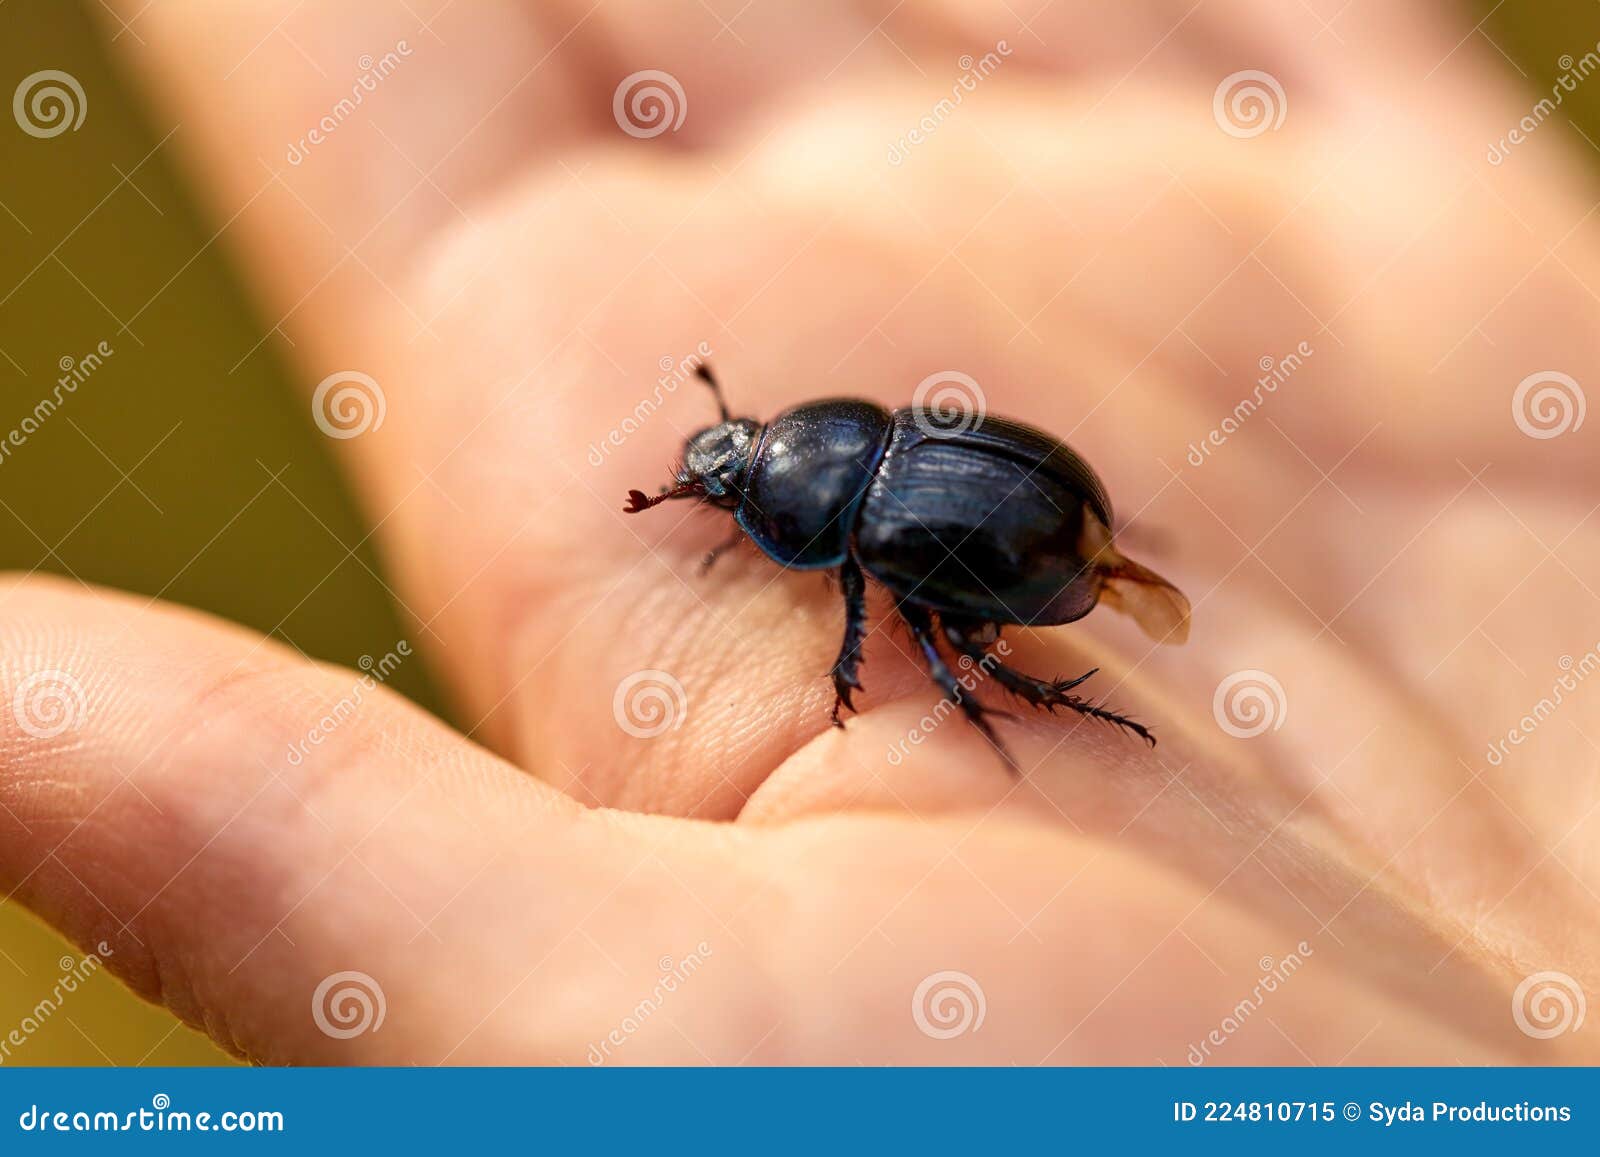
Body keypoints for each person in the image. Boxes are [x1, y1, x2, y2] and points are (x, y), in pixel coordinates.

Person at [3, 0, 1596, 1064]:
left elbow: (856, 601)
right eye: (730, 475)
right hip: (1048, 509)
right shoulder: (860, 456)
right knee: (931, 631)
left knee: (926, 644)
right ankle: (1032, 685)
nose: (731, 481)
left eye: (737, 479)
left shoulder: (859, 522)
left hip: (1033, 531)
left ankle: (1029, 699)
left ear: (790, 488)